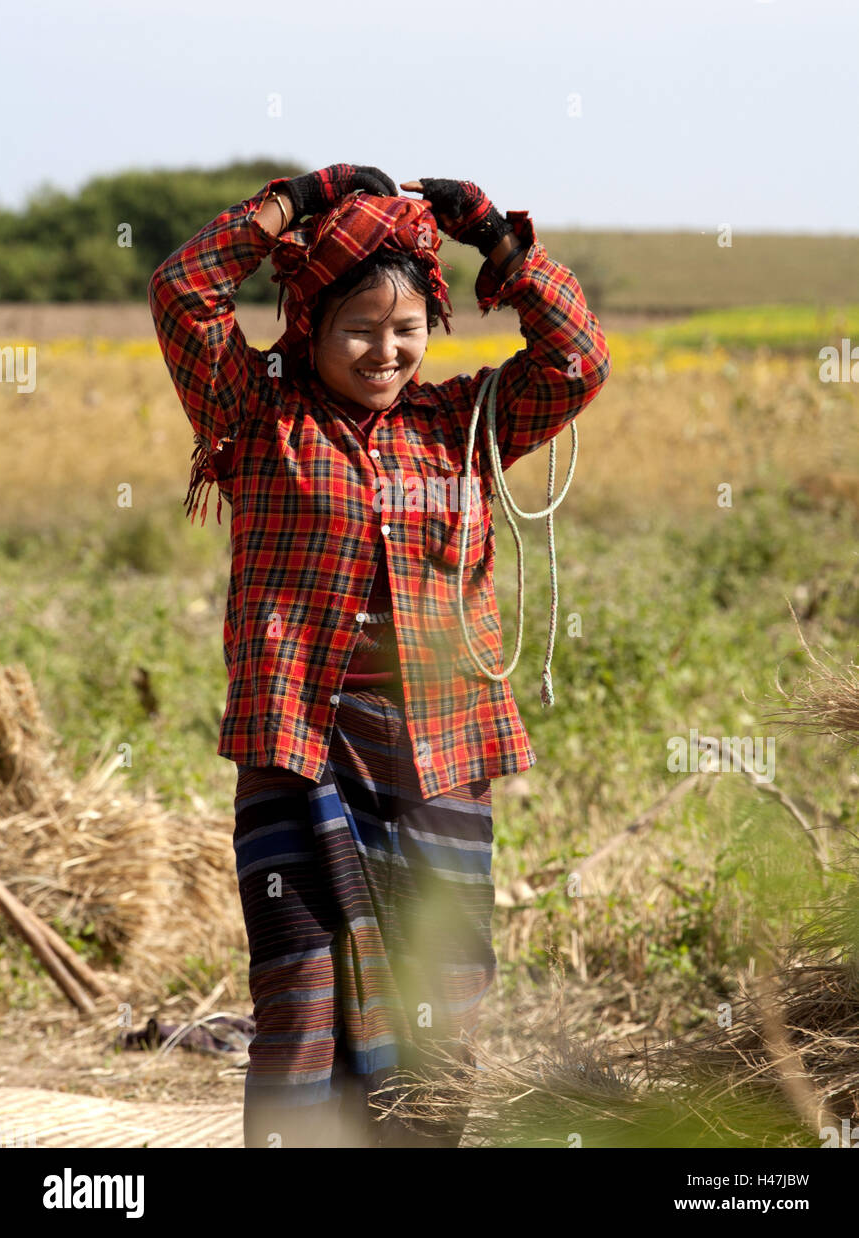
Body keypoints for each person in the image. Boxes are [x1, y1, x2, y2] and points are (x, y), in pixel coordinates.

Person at [148, 162, 611, 1148]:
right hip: (299, 752)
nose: (385, 351)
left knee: (439, 1008)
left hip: (439, 758)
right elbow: (185, 292)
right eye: (359, 328)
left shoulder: (460, 426)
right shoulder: (255, 413)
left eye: (406, 330)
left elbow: (574, 357)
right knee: (302, 1004)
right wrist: (293, 200)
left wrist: (501, 248)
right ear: (306, 323)